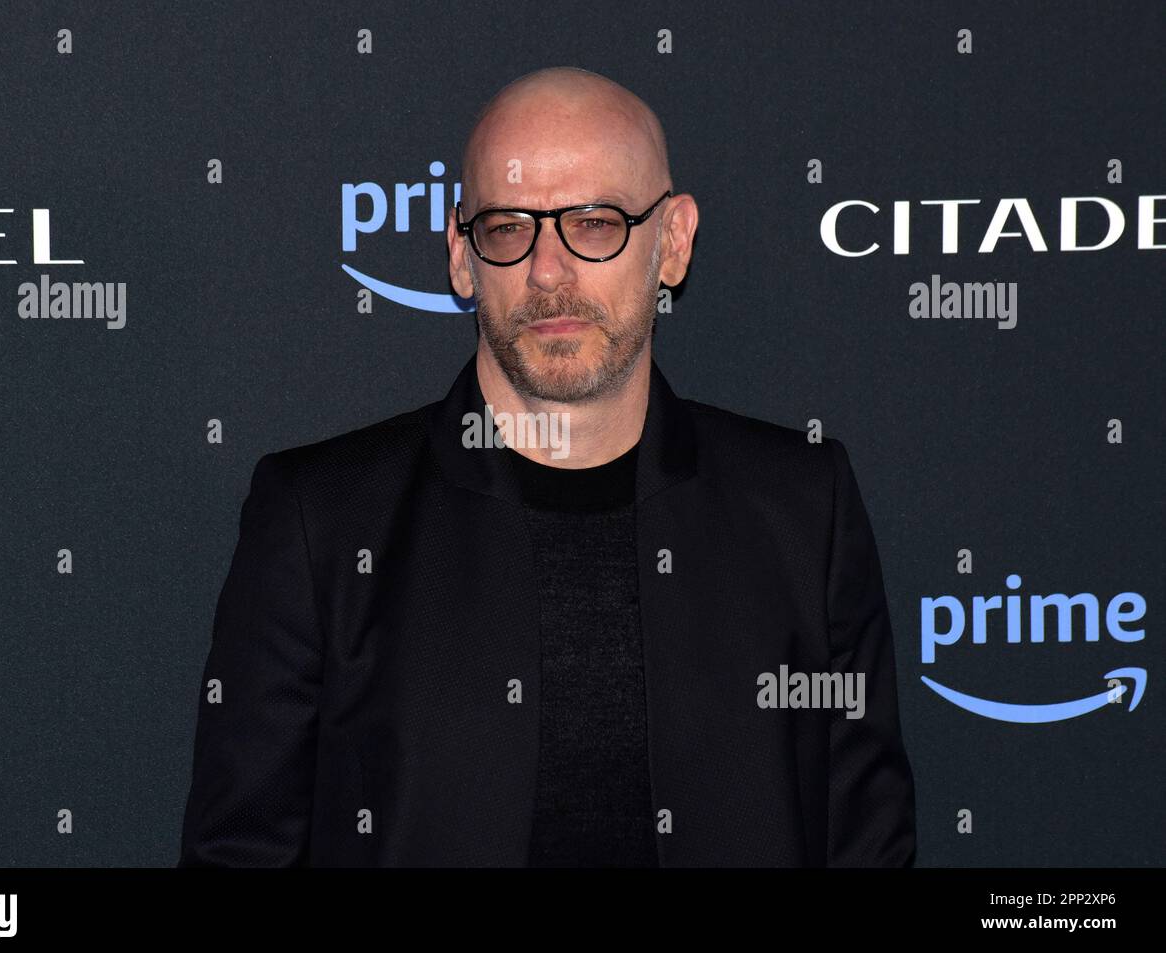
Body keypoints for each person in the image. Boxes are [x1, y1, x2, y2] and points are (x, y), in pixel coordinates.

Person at [178, 66, 916, 867]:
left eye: (594, 222)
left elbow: (868, 850)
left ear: (672, 242)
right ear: (463, 257)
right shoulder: (320, 523)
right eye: (509, 228)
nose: (548, 270)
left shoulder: (805, 509)